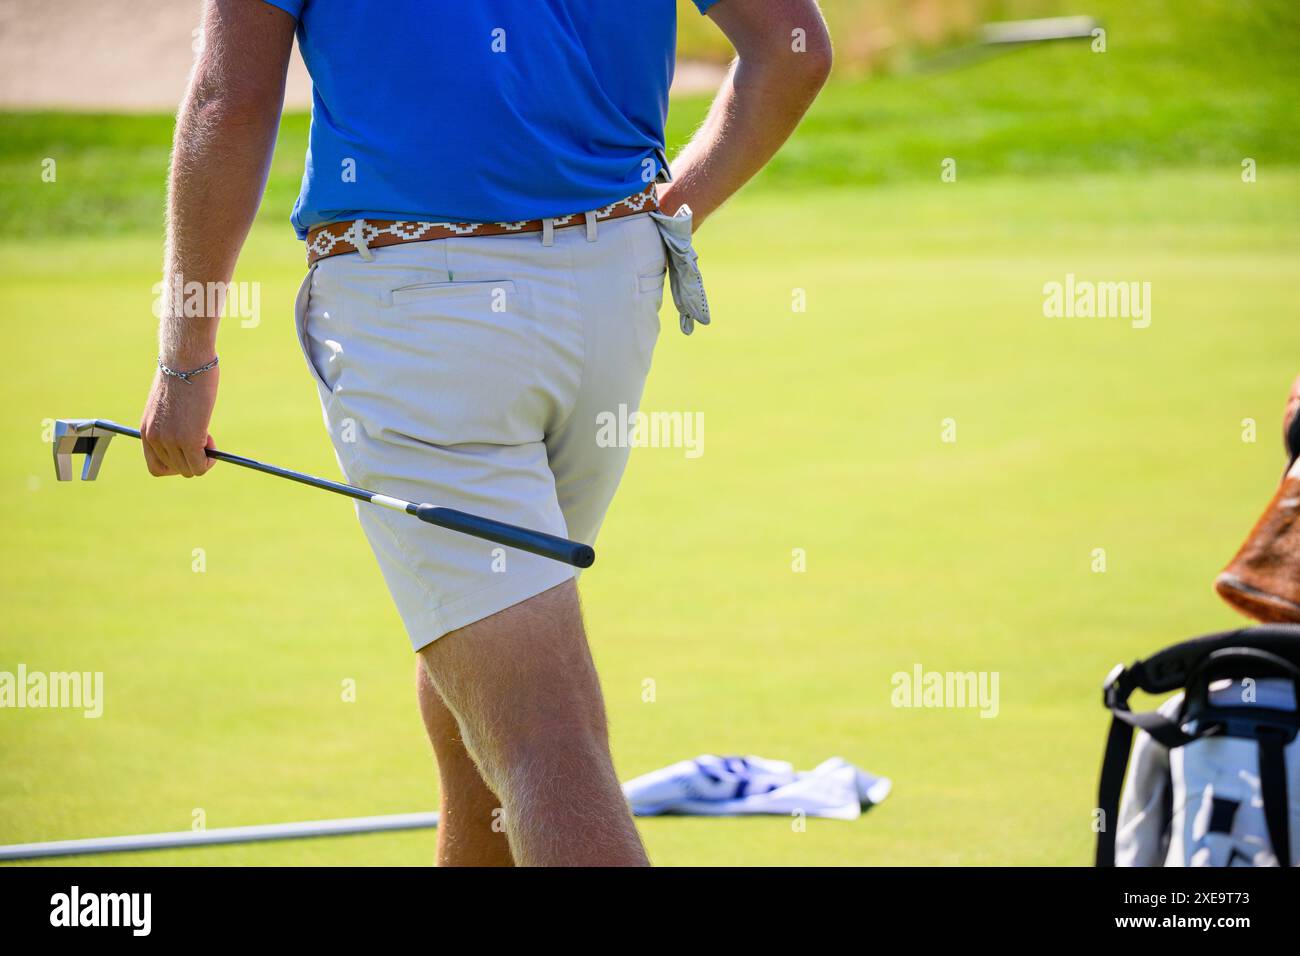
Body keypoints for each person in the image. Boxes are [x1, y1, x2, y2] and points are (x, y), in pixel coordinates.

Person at [139, 0, 831, 866]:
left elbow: (227, 103)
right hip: (611, 295)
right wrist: (663, 220)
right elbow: (795, 51)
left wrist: (186, 359)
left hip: (419, 315)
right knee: (487, 648)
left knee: (546, 738)